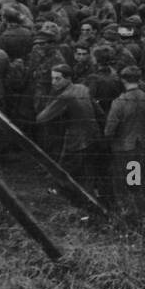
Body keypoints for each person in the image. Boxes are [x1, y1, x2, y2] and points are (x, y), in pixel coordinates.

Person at [34, 64, 101, 199]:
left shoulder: (65, 96)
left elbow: (41, 118)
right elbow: (99, 111)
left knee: (65, 168)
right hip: (93, 135)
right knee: (88, 169)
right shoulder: (82, 88)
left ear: (68, 78)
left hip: (76, 140)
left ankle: (61, 193)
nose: (53, 82)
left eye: (57, 79)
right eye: (52, 78)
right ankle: (91, 195)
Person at [103, 65, 145, 220]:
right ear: (139, 79)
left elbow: (109, 130)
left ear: (123, 80)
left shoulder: (119, 102)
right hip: (143, 146)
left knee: (124, 184)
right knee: (139, 182)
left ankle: (128, 215)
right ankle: (141, 213)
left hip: (124, 149)